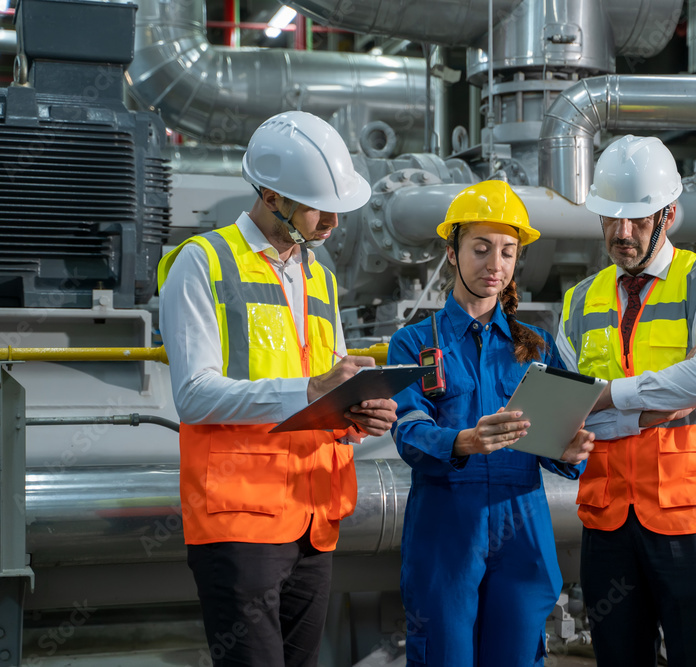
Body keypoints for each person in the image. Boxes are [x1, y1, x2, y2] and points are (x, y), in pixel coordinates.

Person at [157, 111, 398, 667]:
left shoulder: (320, 276)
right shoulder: (202, 262)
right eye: (318, 207)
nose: (333, 222)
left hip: (313, 518)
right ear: (270, 196)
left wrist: (357, 412)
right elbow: (193, 394)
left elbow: (326, 384)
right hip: (240, 520)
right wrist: (310, 390)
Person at [556, 135, 696, 667]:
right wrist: (646, 410)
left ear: (669, 214)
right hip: (609, 518)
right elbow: (570, 408)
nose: (622, 233)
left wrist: (609, 397)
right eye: (611, 218)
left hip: (692, 516)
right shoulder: (579, 301)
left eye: (638, 219)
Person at [388, 180, 596, 667]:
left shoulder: (535, 346)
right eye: (480, 249)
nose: (495, 265)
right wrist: (462, 441)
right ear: (452, 252)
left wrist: (567, 451)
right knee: (445, 656)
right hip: (447, 526)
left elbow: (552, 435)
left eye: (507, 251)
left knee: (518, 656)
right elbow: (408, 430)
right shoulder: (415, 343)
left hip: (522, 525)